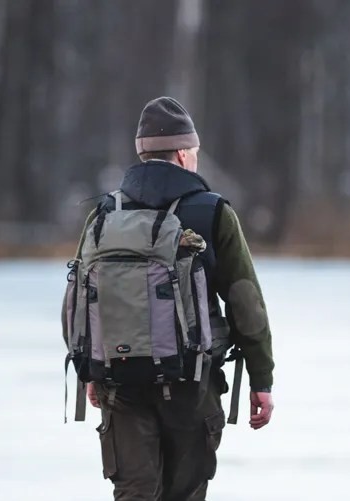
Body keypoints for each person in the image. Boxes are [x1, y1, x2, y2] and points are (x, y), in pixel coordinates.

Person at [85, 96, 275, 500]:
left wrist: (90, 368)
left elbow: (87, 296)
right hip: (192, 381)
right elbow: (245, 299)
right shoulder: (211, 211)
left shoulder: (105, 211)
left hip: (119, 378)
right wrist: (261, 379)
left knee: (133, 493)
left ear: (141, 152)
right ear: (185, 152)